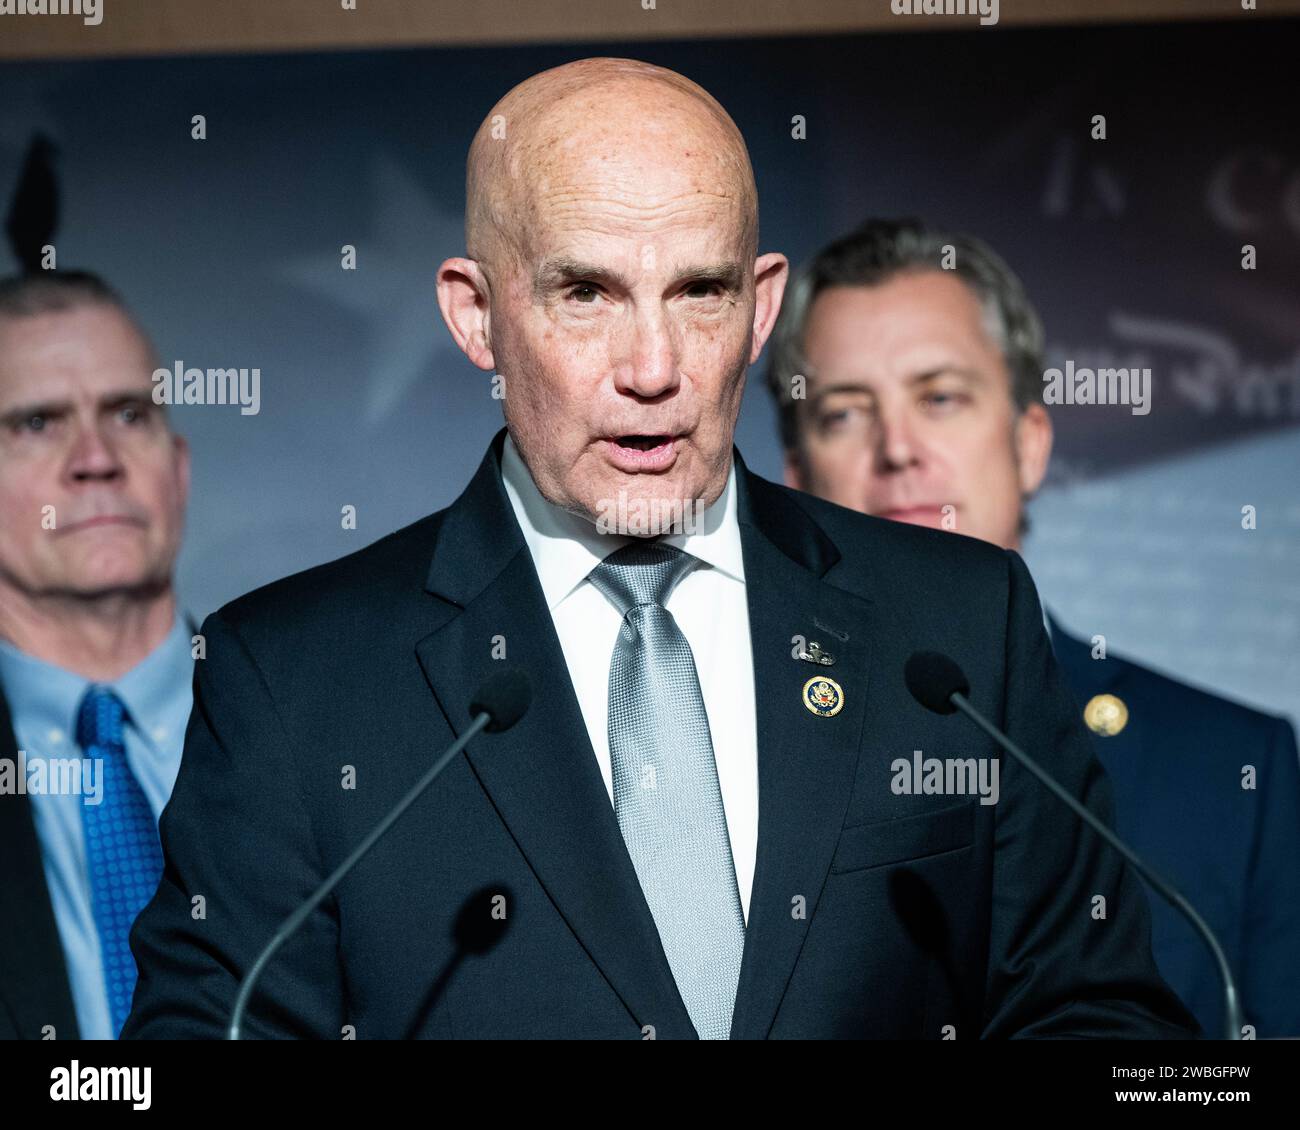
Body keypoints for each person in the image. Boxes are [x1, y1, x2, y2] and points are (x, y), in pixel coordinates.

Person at [123, 59, 1195, 1040]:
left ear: (761, 307)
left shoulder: (960, 624)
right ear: (476, 315)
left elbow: (1097, 1018)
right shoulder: (292, 679)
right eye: (584, 293)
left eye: (699, 292)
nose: (651, 366)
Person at [765, 216, 1300, 1038]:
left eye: (940, 397)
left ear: (1030, 442)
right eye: (842, 413)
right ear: (796, 478)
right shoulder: (738, 752)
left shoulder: (1232, 768)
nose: (898, 448)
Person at [0, 271, 195, 1039]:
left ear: (177, 468)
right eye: (36, 423)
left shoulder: (337, 737)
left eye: (127, 413)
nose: (96, 459)